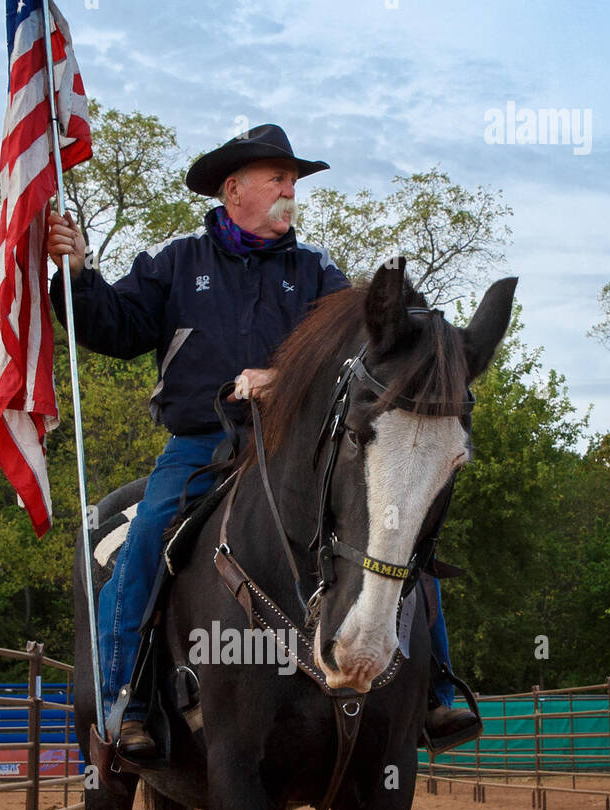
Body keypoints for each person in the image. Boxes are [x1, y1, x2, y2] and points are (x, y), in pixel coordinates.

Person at [48, 123, 475, 755]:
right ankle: (122, 702)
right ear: (234, 188)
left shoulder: (317, 272)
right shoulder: (177, 261)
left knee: (396, 525)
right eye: (278, 177)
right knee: (142, 542)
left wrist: (281, 378)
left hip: (296, 446)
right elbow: (115, 327)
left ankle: (435, 690)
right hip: (200, 446)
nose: (290, 190)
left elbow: (359, 358)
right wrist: (78, 279)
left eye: (294, 180)